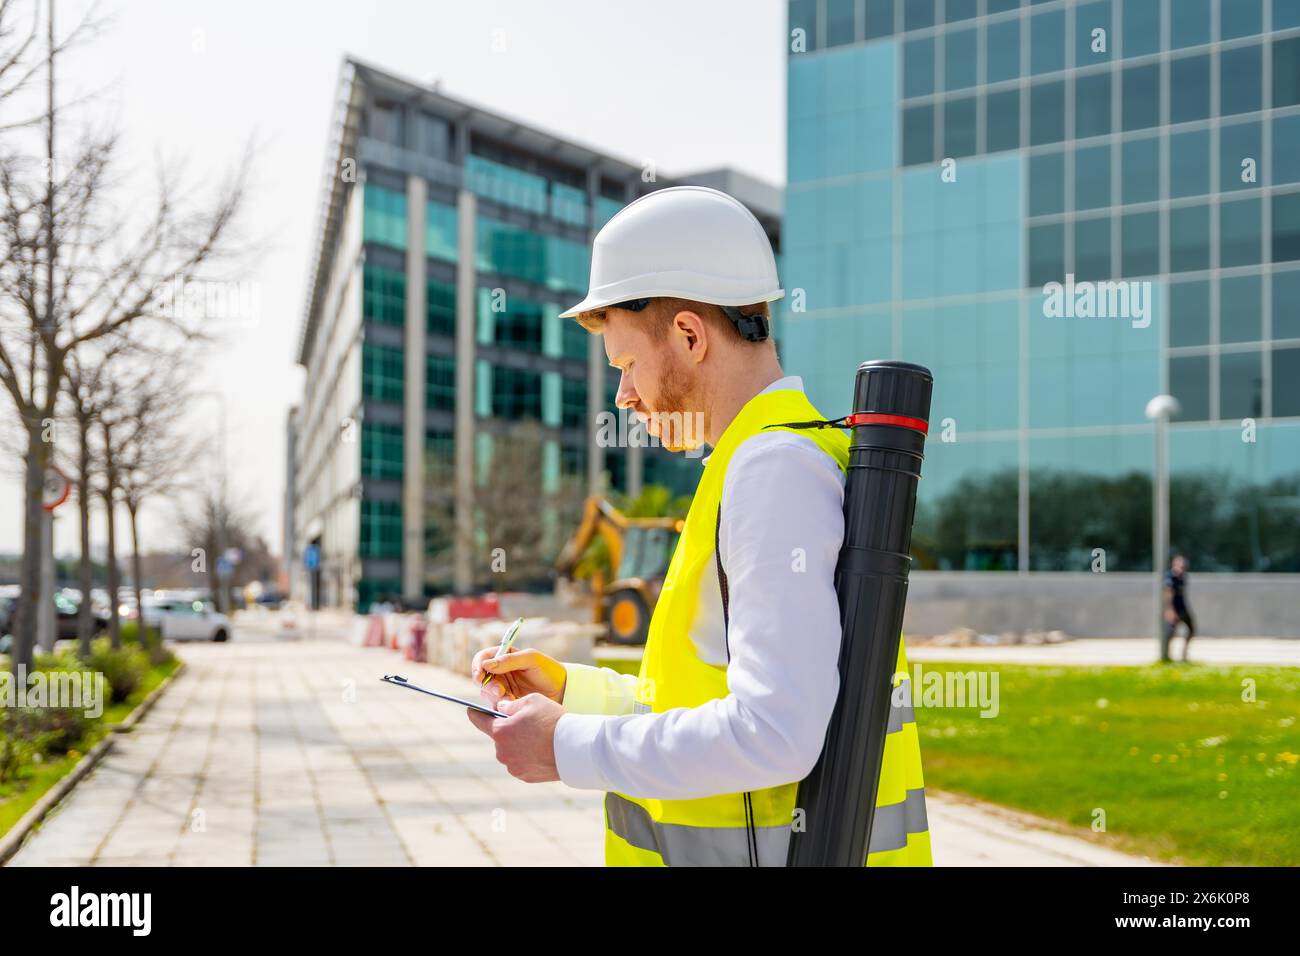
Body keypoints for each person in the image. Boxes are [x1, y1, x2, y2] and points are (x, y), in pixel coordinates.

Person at [467, 186, 930, 867]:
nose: (622, 396)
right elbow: (705, 694)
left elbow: (774, 731)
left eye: (626, 365)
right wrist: (571, 692)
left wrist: (566, 746)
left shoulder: (771, 472)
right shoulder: (760, 460)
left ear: (688, 334)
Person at [1162, 553, 1195, 663]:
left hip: (1183, 607)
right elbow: (1168, 593)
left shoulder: (1183, 577)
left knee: (1191, 629)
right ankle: (1166, 656)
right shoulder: (1170, 577)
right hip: (1174, 608)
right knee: (1170, 632)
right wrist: (1169, 610)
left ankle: (1184, 655)